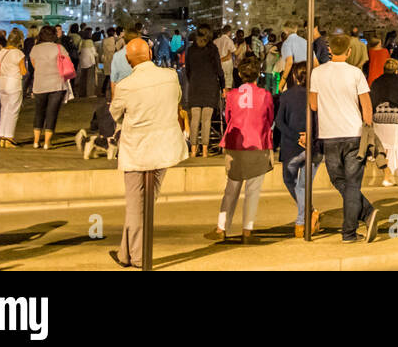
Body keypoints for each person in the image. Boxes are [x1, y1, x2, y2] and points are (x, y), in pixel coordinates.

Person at [108, 38, 188, 268]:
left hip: (137, 151)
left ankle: (138, 256)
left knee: (135, 206)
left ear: (127, 60)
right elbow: (177, 100)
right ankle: (126, 253)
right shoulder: (170, 76)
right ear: (150, 53)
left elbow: (114, 114)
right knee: (147, 203)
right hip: (165, 147)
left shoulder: (125, 85)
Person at [309, 34, 380, 243]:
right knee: (352, 184)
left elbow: (313, 105)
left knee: (338, 180)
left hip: (329, 135)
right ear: (349, 52)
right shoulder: (356, 73)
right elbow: (366, 106)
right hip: (354, 133)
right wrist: (369, 128)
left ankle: (364, 216)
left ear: (330, 50)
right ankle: (357, 223)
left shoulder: (317, 73)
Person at [211, 58, 274, 242]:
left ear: (239, 74)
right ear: (258, 74)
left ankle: (221, 228)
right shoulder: (265, 95)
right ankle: (247, 230)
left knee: (231, 188)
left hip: (235, 144)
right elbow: (269, 119)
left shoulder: (232, 95)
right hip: (258, 143)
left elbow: (228, 117)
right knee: (253, 190)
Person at [273, 61, 319, 236]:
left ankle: (302, 221)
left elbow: (279, 121)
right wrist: (309, 136)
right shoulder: (315, 95)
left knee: (290, 181)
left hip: (292, 146)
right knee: (303, 186)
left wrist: (296, 136)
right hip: (313, 146)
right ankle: (309, 212)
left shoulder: (286, 96)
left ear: (294, 76)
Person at [184, 26, 225, 158]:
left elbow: (188, 70)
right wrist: (223, 86)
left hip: (195, 86)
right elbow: (219, 69)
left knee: (195, 119)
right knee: (206, 119)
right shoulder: (212, 50)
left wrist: (193, 80)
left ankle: (194, 150)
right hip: (210, 86)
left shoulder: (190, 50)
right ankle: (205, 151)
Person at [368, 58, 398, 186]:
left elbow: (371, 101)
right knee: (393, 146)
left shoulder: (376, 82)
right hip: (394, 117)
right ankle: (388, 176)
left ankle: (387, 174)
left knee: (382, 146)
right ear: (397, 71)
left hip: (379, 116)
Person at [29, 26, 68, 150]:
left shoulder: (35, 48)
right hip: (56, 84)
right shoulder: (59, 48)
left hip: (40, 84)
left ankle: (35, 141)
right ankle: (47, 142)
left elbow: (34, 64)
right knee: (52, 113)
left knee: (39, 112)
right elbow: (67, 63)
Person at [0, 30, 27, 148]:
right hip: (14, 83)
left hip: (2, 83)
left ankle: (3, 136)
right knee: (13, 111)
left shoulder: (1, 52)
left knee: (4, 109)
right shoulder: (19, 53)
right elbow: (23, 71)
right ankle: (9, 137)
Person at [76, 92, 120, 160]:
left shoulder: (99, 109)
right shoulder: (116, 110)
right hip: (110, 136)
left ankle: (91, 154)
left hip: (103, 134)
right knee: (111, 147)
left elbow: (93, 125)